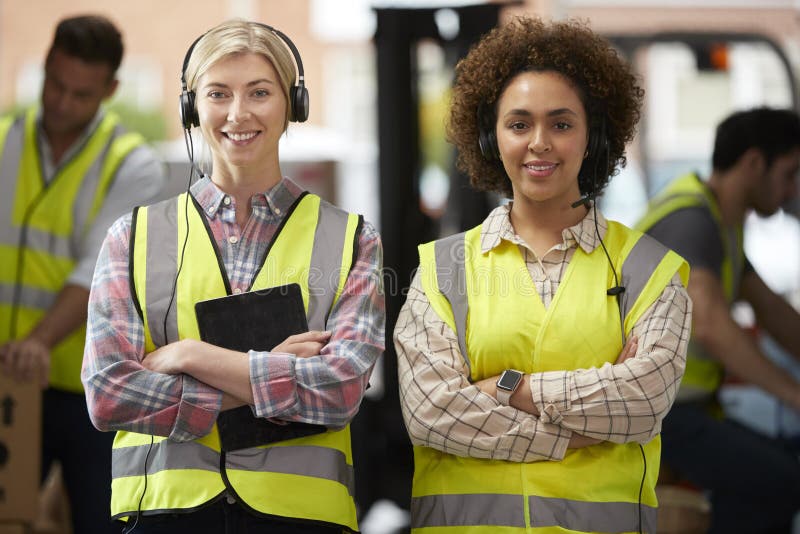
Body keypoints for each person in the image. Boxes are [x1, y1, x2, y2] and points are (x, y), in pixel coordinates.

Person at [82, 19, 385, 533]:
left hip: (300, 517)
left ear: (293, 104)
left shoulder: (352, 238)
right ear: (191, 108)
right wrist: (273, 375)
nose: (238, 114)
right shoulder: (132, 237)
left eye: (259, 93)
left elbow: (341, 390)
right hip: (164, 512)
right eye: (217, 93)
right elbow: (109, 392)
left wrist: (191, 356)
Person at [395, 16, 693, 534]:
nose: (539, 142)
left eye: (561, 123)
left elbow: (643, 401)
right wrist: (578, 432)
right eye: (518, 124)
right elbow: (431, 414)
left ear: (592, 136)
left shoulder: (648, 269)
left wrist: (505, 389)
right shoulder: (441, 270)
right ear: (491, 139)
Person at [0, 14, 166, 534]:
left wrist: (39, 341)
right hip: (9, 381)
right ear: (45, 66)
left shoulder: (129, 165)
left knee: (100, 521)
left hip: (88, 391)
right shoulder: (3, 142)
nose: (63, 103)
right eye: (56, 85)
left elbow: (93, 270)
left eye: (81, 94)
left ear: (111, 89)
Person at [636, 107, 800, 534]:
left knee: (783, 462)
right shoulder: (692, 220)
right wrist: (796, 395)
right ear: (753, 164)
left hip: (684, 410)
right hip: (654, 413)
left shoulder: (720, 226)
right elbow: (710, 323)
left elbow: (774, 312)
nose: (791, 190)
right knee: (780, 479)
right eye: (789, 173)